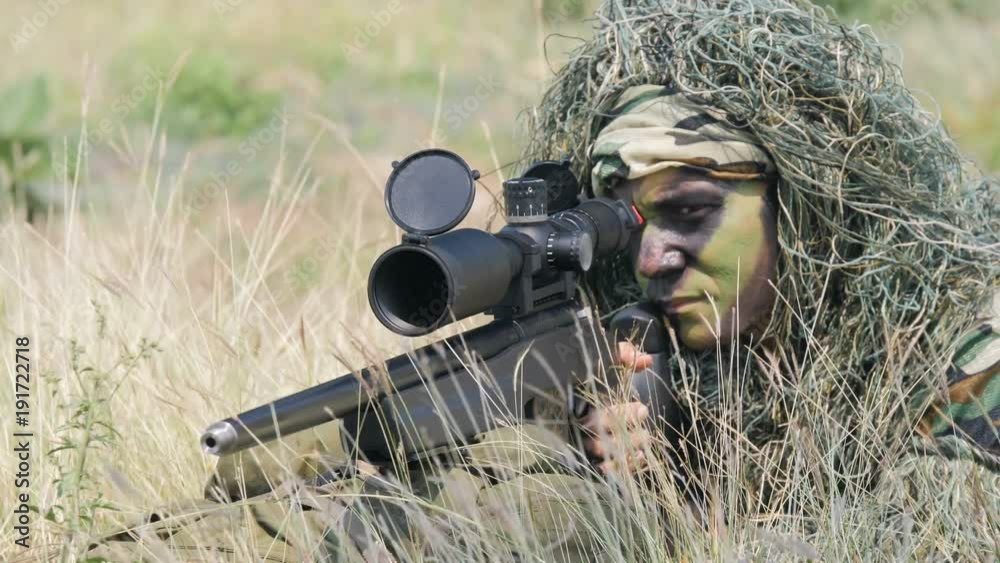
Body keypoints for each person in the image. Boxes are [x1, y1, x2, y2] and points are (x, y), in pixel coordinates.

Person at [90, 0, 999, 560]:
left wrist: (665, 505)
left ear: (799, 205)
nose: (649, 257)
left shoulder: (967, 334)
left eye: (689, 211)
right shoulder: (660, 334)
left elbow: (930, 530)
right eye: (629, 219)